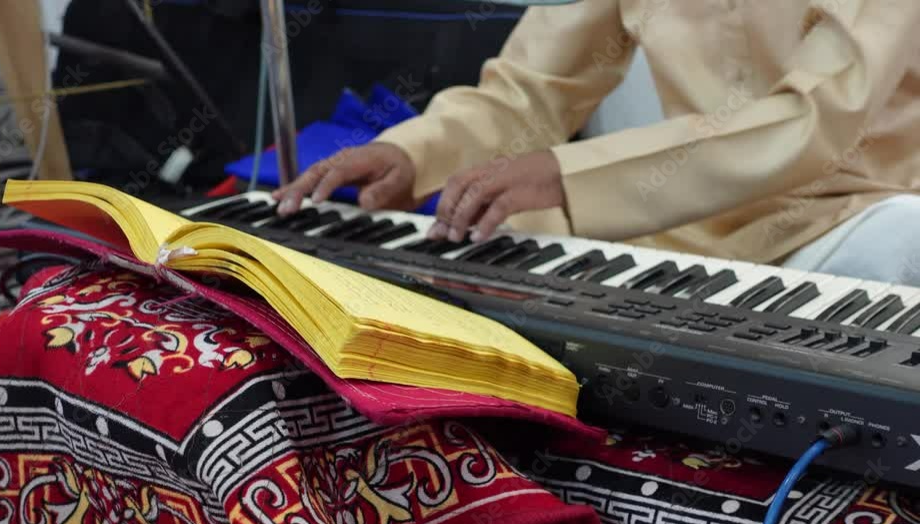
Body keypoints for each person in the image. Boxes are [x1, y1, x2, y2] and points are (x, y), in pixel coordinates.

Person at [273, 0, 920, 284]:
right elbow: (532, 90)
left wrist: (569, 174)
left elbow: (815, 118)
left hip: (845, 216)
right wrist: (414, 151)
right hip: (677, 216)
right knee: (490, 230)